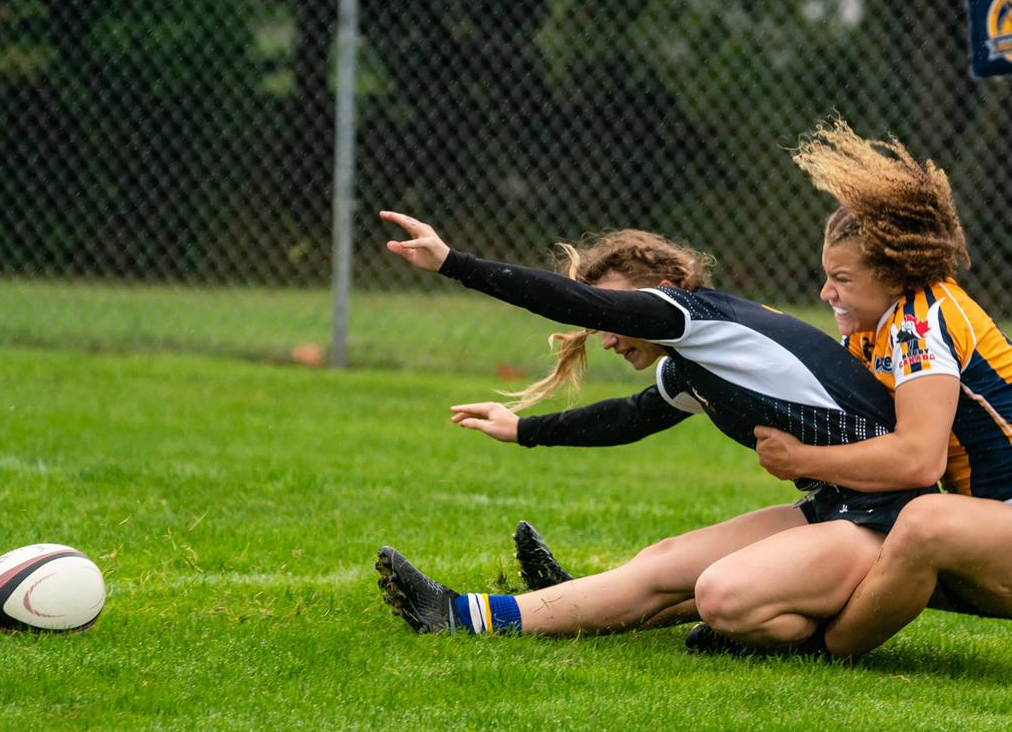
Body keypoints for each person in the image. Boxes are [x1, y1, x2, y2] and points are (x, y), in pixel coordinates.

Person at [517, 120, 1012, 660]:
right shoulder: (874, 330)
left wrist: (802, 459)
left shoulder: (922, 320)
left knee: (922, 521)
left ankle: (823, 651)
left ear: (894, 272)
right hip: (964, 526)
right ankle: (583, 604)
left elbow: (918, 458)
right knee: (719, 564)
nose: (827, 293)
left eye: (842, 279)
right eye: (825, 276)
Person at [373, 211, 936, 650]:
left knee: (720, 593)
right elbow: (629, 418)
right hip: (842, 507)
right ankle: (566, 600)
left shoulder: (697, 316)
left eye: (615, 313)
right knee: (657, 563)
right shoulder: (695, 358)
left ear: (664, 290)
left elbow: (570, 299)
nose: (610, 334)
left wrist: (454, 263)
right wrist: (524, 430)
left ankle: (459, 616)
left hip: (888, 523)